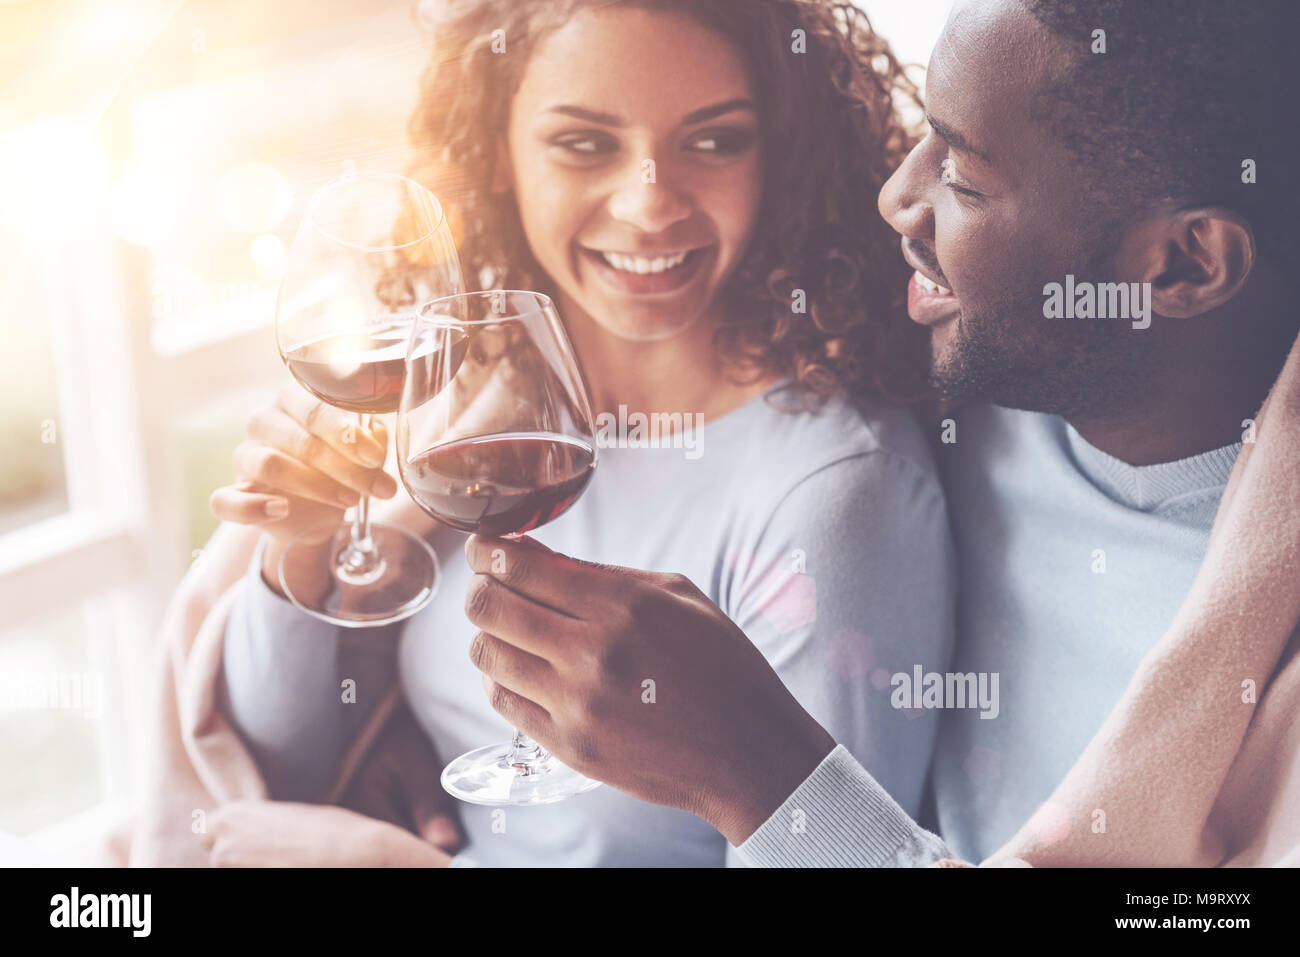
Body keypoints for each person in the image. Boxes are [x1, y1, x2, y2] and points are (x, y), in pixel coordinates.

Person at [458, 0, 1300, 865]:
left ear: (1185, 263)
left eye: (963, 181)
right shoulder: (966, 358)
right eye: (926, 136)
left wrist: (763, 773)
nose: (896, 197)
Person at [206, 0, 955, 866]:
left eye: (713, 141)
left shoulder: (834, 498)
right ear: (494, 153)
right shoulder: (475, 403)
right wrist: (299, 552)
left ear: (780, 154)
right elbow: (277, 769)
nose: (648, 208)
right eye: (586, 144)